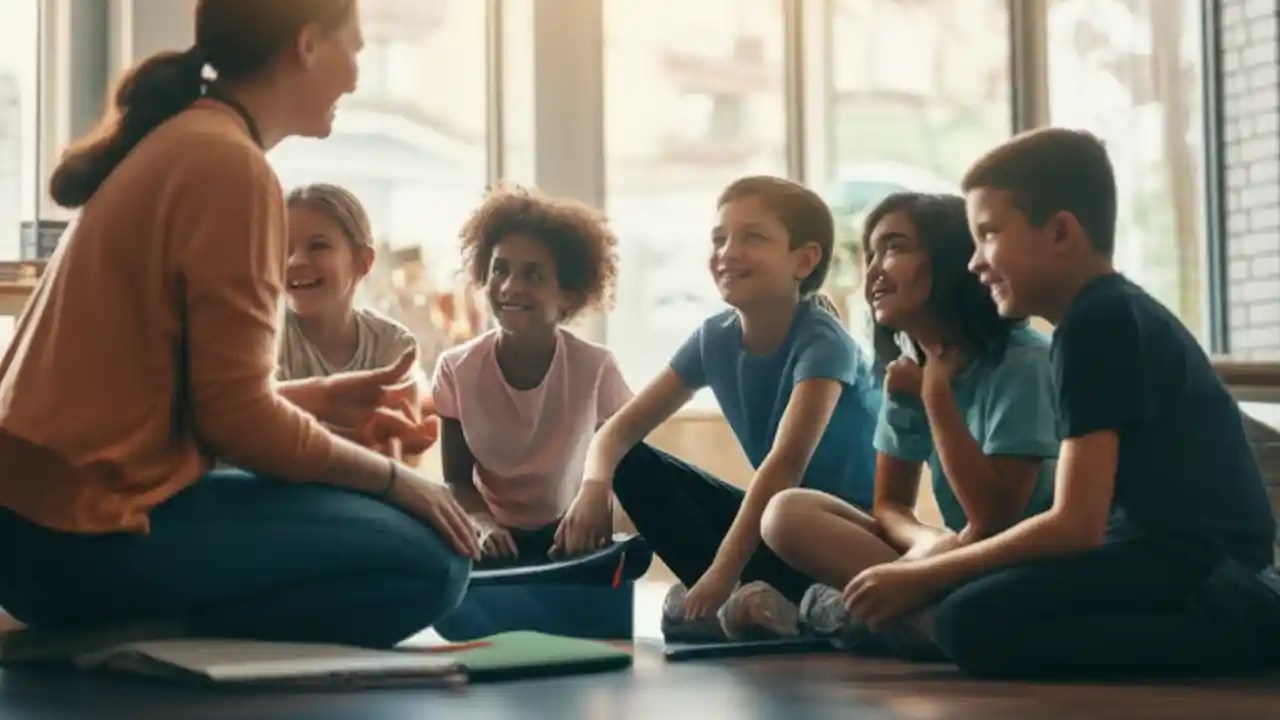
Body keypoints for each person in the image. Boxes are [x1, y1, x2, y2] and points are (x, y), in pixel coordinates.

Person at [0, 0, 479, 650]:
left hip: (30, 529)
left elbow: (193, 404)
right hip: (76, 540)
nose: (357, 77)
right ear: (307, 44)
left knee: (399, 529)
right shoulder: (231, 166)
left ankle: (140, 630)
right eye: (356, 49)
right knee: (434, 560)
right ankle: (146, 636)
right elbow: (239, 424)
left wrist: (312, 402)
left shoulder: (187, 140)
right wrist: (400, 481)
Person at [843, 127, 1280, 677]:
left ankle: (1251, 628)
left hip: (1204, 568)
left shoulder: (1099, 323)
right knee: (968, 610)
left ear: (1061, 233)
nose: (975, 263)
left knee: (967, 621)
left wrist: (928, 574)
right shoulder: (1096, 318)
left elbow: (1075, 524)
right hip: (1156, 553)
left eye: (989, 234)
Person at [559, 176, 881, 640]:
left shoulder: (824, 342)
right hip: (771, 526)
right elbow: (615, 433)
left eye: (753, 237)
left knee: (782, 510)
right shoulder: (715, 338)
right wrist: (595, 487)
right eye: (719, 238)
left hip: (834, 537)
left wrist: (719, 572)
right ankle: (754, 603)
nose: (728, 252)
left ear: (803, 260)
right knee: (631, 464)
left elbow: (784, 466)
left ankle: (776, 598)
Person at [759, 192, 1058, 655]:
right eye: (872, 253)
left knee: (953, 603)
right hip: (957, 555)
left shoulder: (1023, 362)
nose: (875, 269)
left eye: (895, 247)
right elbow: (890, 504)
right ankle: (904, 620)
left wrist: (934, 394)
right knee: (785, 512)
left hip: (1018, 563)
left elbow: (997, 520)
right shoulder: (906, 367)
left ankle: (860, 619)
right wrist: (927, 545)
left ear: (951, 259)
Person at [433, 185, 631, 567]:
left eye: (533, 275)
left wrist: (594, 510)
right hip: (492, 544)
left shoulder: (596, 369)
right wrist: (482, 525)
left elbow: (623, 468)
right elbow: (456, 480)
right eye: (500, 270)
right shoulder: (456, 369)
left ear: (568, 296)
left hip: (574, 539)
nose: (510, 287)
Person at [277, 183, 435, 458]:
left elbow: (400, 453)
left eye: (318, 246)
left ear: (363, 261)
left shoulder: (393, 344)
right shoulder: (265, 338)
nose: (295, 261)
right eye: (284, 248)